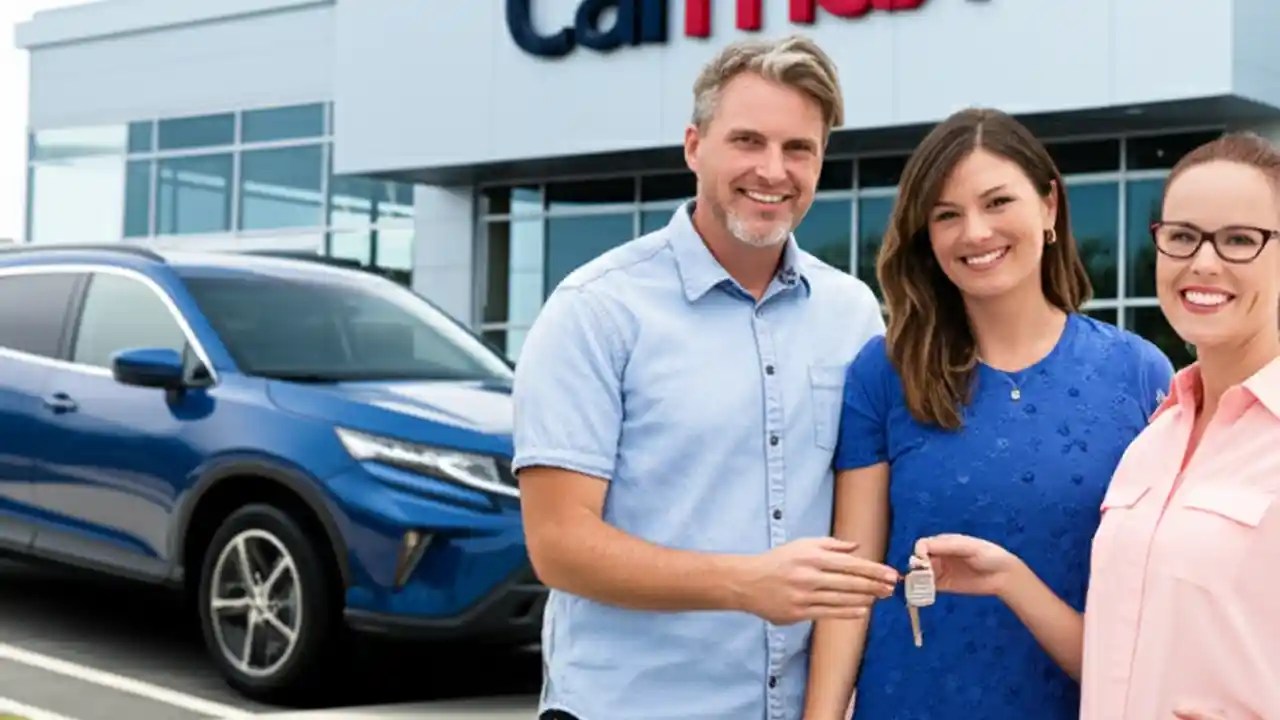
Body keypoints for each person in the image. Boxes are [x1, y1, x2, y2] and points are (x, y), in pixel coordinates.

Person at [511, 35, 897, 720]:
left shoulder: (854, 314)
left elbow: (860, 516)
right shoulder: (597, 311)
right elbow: (559, 545)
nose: (773, 171)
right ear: (694, 146)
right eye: (747, 141)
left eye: (798, 149)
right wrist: (747, 584)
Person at [802, 107, 1175, 720]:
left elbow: (1157, 591)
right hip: (911, 702)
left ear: (1049, 207)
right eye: (946, 215)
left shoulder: (1139, 374)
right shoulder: (884, 371)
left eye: (998, 202)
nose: (974, 232)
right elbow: (853, 584)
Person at [907, 131, 1280, 719]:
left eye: (1240, 240)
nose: (1203, 262)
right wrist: (1010, 580)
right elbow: (1117, 662)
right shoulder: (1154, 438)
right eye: (1182, 237)